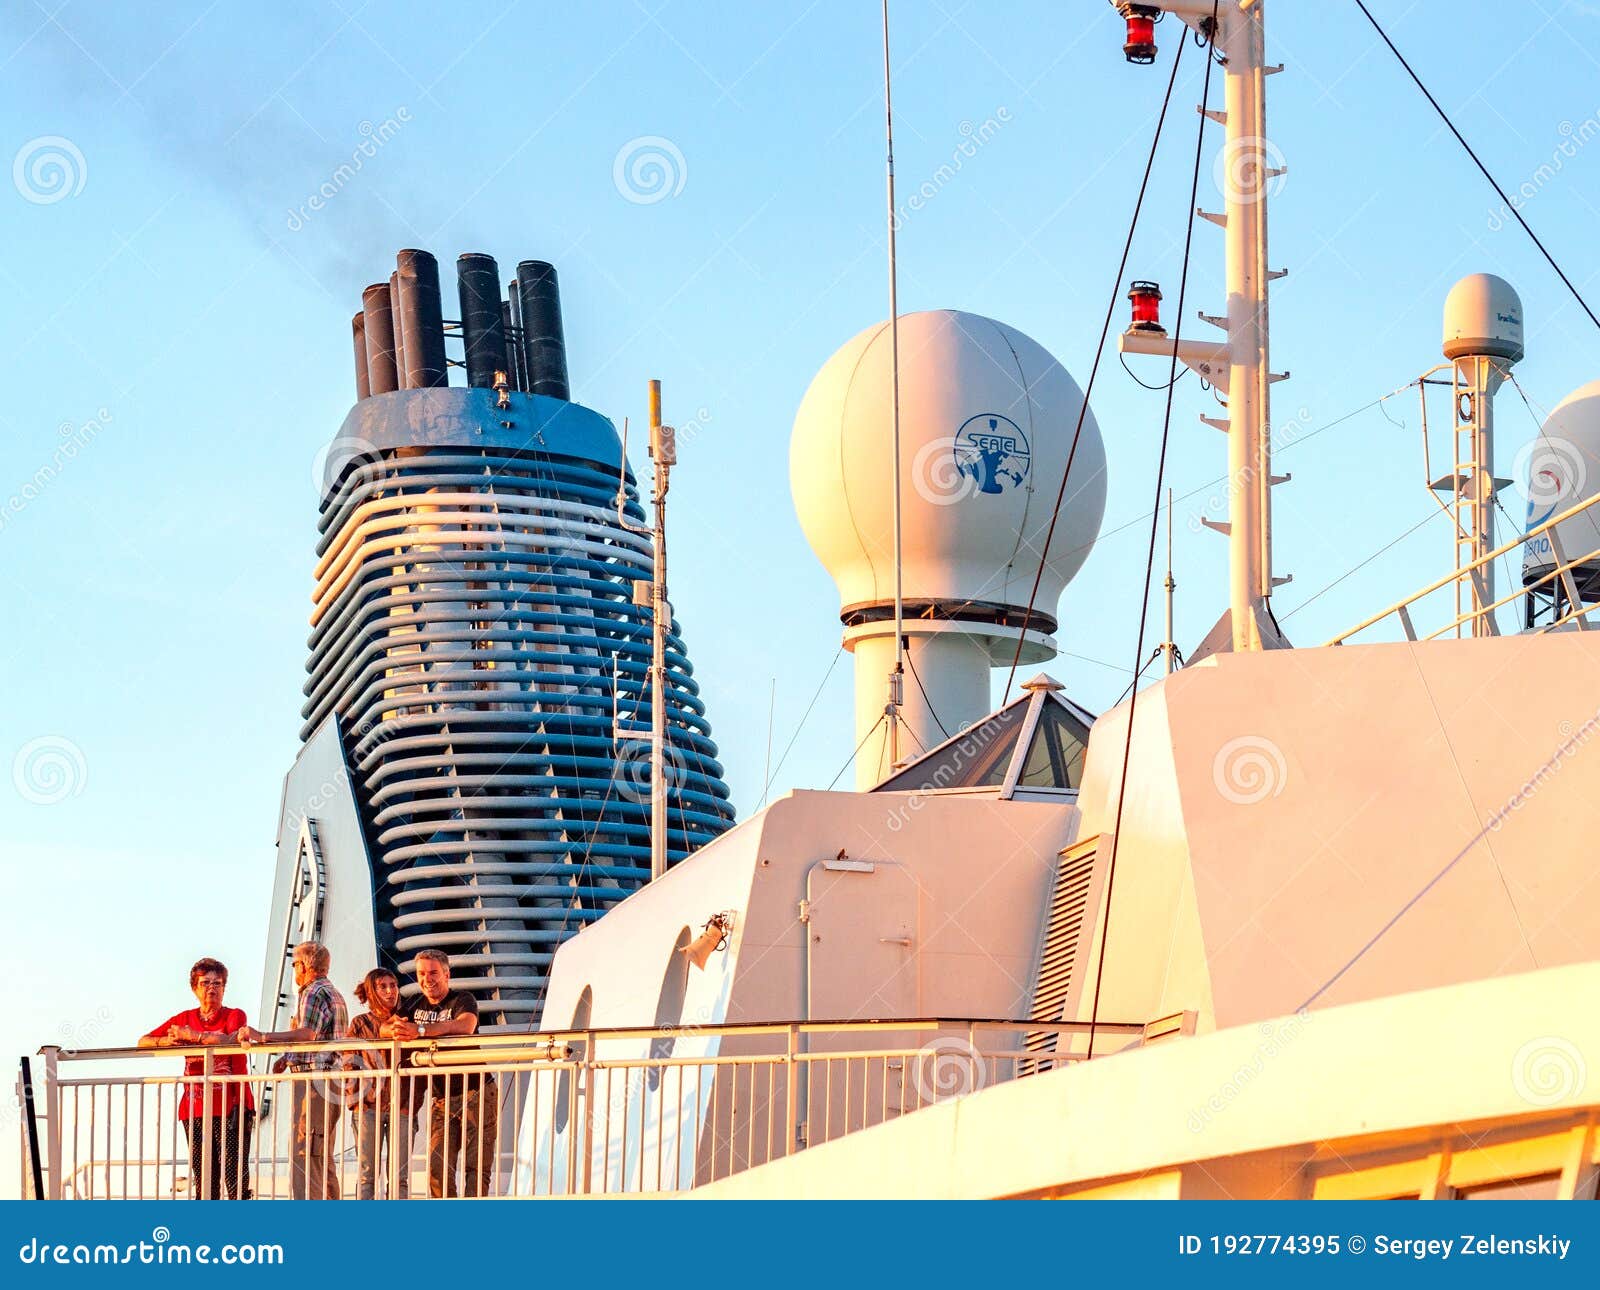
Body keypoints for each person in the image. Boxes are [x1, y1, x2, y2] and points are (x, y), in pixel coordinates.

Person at [382, 950, 498, 1197]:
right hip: (441, 1098)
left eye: (433, 972)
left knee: (476, 1165)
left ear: (447, 974)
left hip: (476, 1091)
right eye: (422, 973)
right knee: (437, 1167)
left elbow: (465, 1026)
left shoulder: (463, 999)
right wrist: (397, 1030)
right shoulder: (416, 1005)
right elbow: (385, 1027)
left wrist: (420, 1031)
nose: (427, 979)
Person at [140, 957, 255, 1199]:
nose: (212, 988)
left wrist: (193, 1036)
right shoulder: (184, 1018)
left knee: (235, 1179)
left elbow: (231, 1040)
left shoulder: (234, 1015)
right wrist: (168, 1041)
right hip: (195, 1109)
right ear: (195, 988)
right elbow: (144, 1042)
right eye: (205, 983)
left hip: (232, 1106)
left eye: (218, 983)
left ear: (224, 988)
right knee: (205, 1181)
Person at [240, 941, 347, 1199]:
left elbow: (308, 1034)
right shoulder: (333, 992)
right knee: (321, 1153)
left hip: (314, 1080)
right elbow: (321, 1035)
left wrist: (263, 1036)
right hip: (332, 1079)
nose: (294, 971)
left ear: (305, 965)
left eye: (295, 965)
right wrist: (288, 1056)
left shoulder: (312, 992)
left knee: (306, 1150)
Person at [344, 967, 416, 1199]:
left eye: (393, 985)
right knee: (367, 1174)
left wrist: (411, 1103)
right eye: (382, 986)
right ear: (371, 991)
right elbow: (348, 1063)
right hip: (368, 1109)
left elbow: (419, 1067)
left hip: (402, 1107)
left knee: (400, 1177)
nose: (390, 990)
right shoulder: (359, 1024)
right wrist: (357, 1102)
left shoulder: (409, 1021)